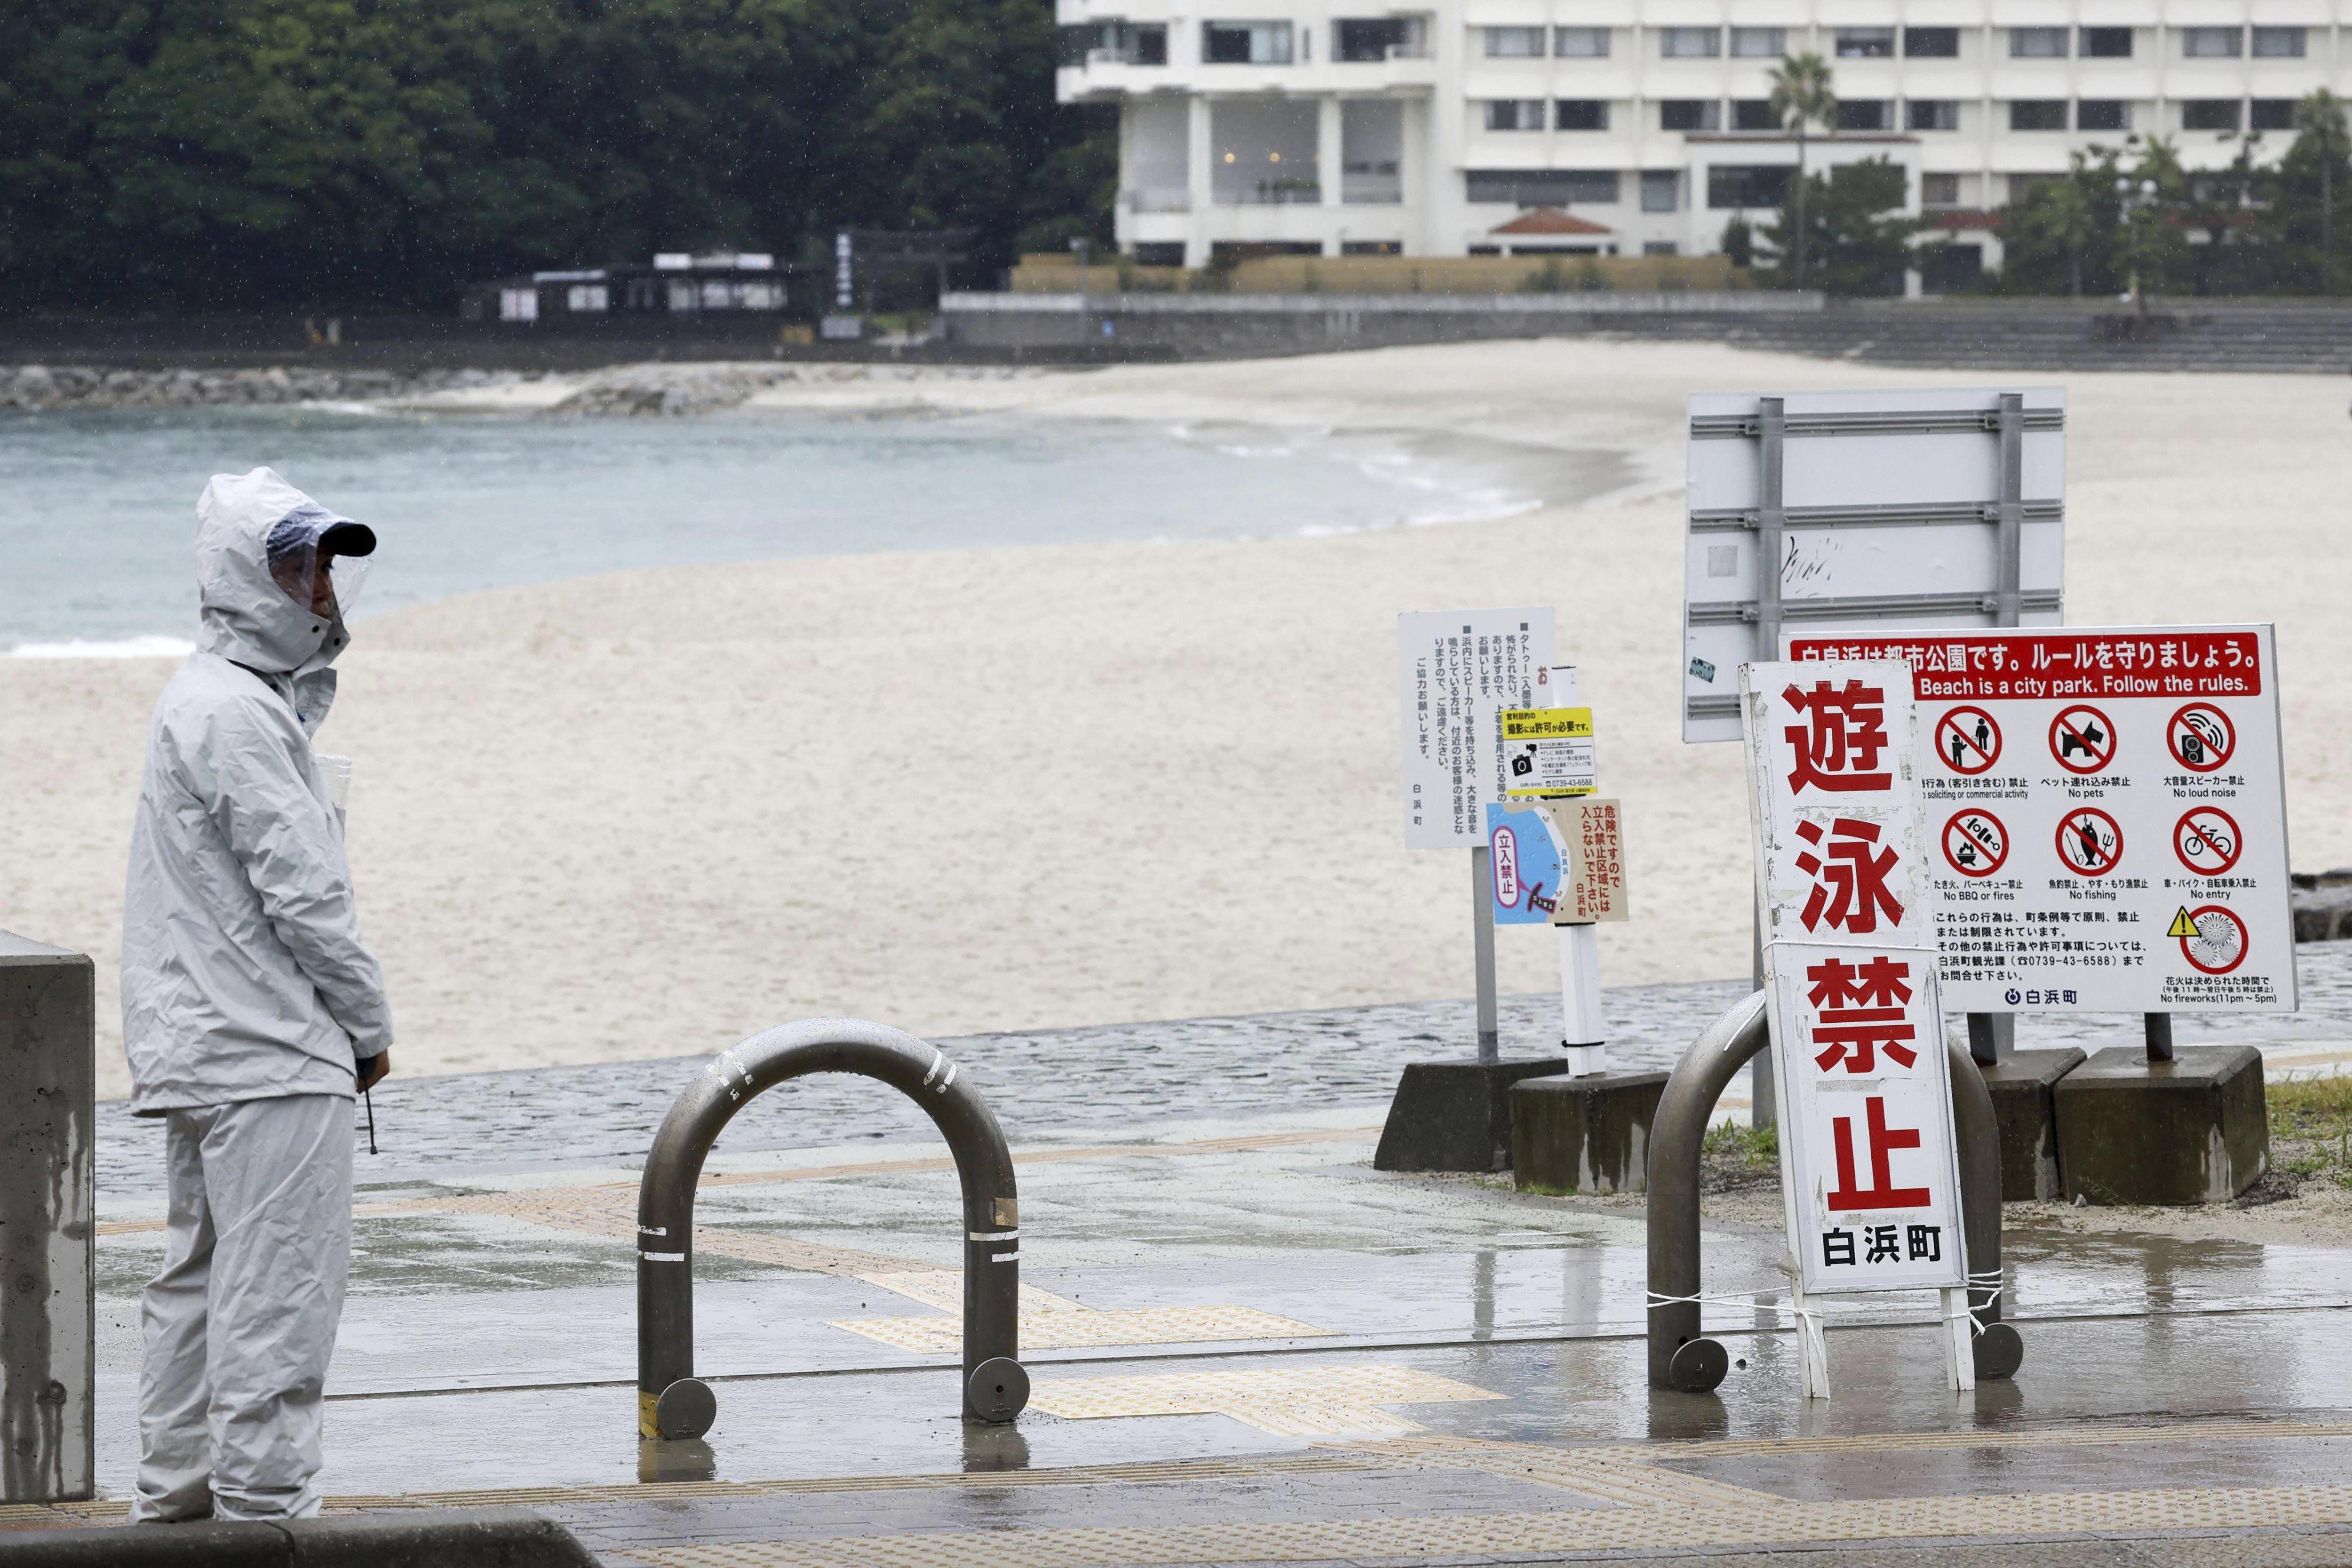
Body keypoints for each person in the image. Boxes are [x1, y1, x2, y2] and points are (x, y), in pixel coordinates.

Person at [120, 467, 393, 1523]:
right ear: (247, 577)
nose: (319, 586)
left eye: (322, 563)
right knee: (274, 1299)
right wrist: (368, 1026)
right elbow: (308, 895)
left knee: (197, 1290)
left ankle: (175, 1510)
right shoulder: (238, 711)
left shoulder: (201, 698)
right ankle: (266, 1516)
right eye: (298, 563)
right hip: (271, 1049)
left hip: (204, 1043)